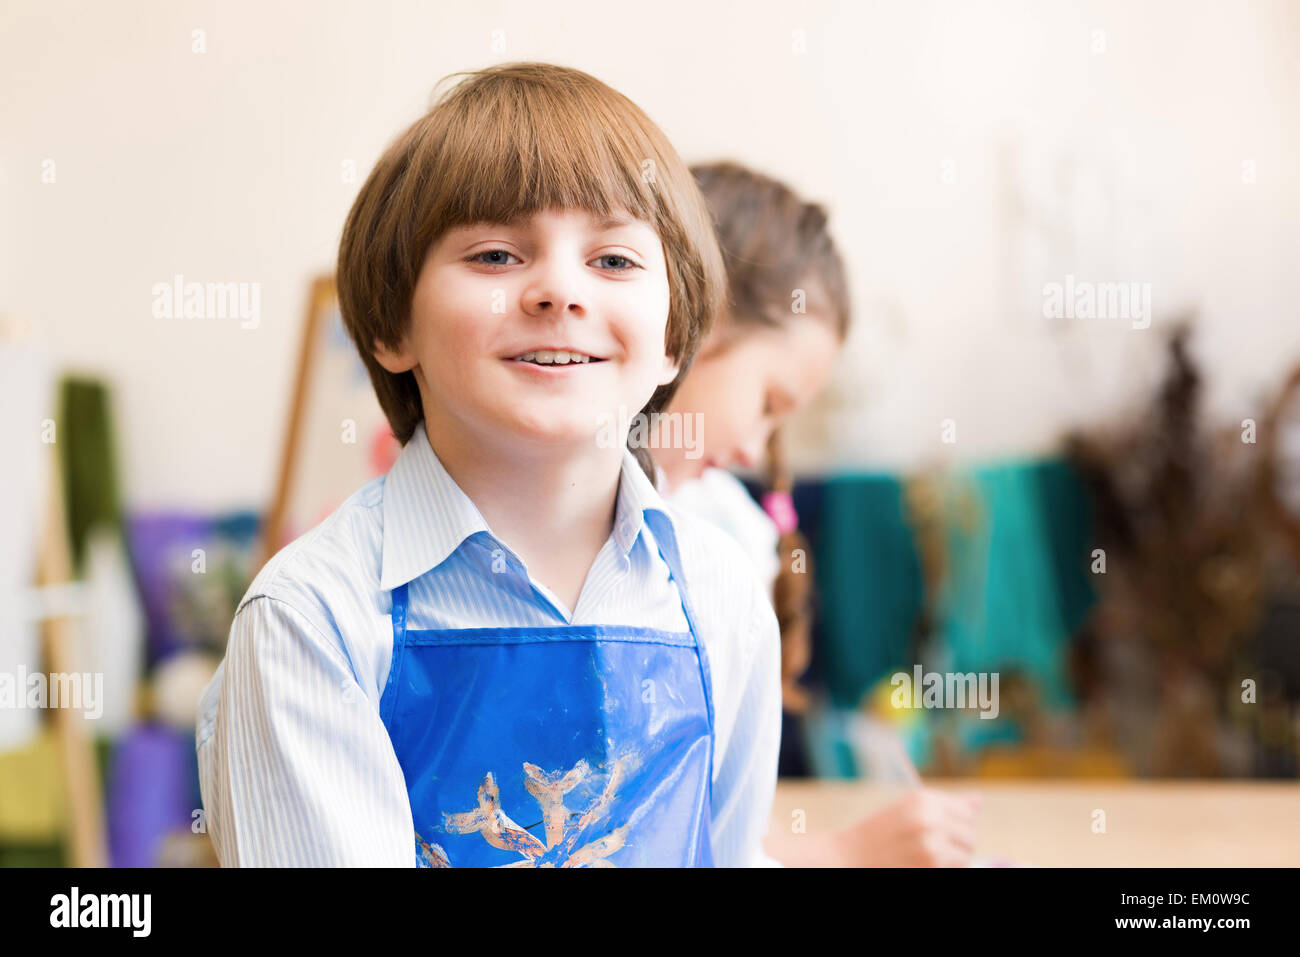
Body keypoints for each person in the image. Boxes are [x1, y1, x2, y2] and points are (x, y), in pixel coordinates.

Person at [195, 64, 784, 867]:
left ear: (675, 334)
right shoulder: (312, 619)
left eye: (613, 260)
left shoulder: (721, 595)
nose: (559, 290)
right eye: (498, 255)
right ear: (393, 326)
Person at [654, 161, 982, 866]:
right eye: (768, 402)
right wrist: (845, 856)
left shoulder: (731, 536)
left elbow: (719, 826)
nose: (752, 446)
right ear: (690, 316)